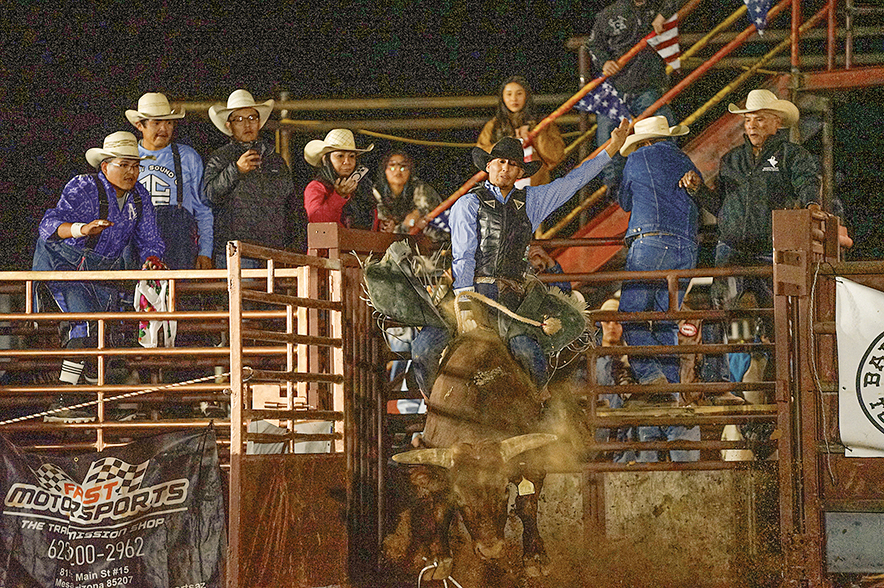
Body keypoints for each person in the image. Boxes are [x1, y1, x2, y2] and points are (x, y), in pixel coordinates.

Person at [410, 119, 630, 397]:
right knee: (423, 348)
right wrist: (464, 299)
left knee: (528, 352)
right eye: (500, 162)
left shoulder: (532, 201)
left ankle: (539, 403)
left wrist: (611, 148)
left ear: (519, 172)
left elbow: (574, 181)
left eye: (512, 164)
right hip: (470, 292)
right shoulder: (468, 202)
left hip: (511, 297)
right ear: (489, 166)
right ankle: (432, 401)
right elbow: (463, 253)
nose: (505, 168)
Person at [679, 89, 822, 381]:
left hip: (771, 248)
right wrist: (698, 191)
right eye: (748, 120)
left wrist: (811, 203)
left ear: (777, 122)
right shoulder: (732, 160)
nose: (752, 126)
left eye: (759, 119)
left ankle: (777, 380)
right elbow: (721, 207)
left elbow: (807, 182)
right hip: (733, 247)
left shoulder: (792, 155)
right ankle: (722, 382)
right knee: (724, 313)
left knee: (777, 317)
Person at [32, 131, 165, 389]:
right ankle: (66, 396)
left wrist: (152, 258)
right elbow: (48, 225)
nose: (131, 172)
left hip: (103, 272)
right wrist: (82, 229)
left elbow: (149, 238)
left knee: (105, 334)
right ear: (105, 167)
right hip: (65, 266)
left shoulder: (139, 196)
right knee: (84, 324)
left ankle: (94, 392)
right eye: (123, 165)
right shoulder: (83, 186)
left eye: (135, 166)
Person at [616, 115, 700, 462]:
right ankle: (671, 390)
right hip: (686, 247)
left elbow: (624, 201)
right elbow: (697, 187)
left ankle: (652, 377)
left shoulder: (636, 158)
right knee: (667, 320)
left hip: (650, 241)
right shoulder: (683, 158)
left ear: (643, 141)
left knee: (630, 314)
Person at [587, 0, 677, 190]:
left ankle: (671, 172)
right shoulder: (608, 14)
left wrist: (663, 14)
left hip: (647, 86)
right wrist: (604, 62)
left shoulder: (657, 6)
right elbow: (594, 45)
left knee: (665, 129)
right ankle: (613, 186)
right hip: (615, 89)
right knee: (607, 139)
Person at [204, 89, 295, 269]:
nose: (247, 124)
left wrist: (293, 247)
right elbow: (210, 195)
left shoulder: (274, 159)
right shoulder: (220, 157)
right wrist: (236, 169)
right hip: (236, 251)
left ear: (259, 122)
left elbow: (291, 205)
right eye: (239, 119)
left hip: (273, 250)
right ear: (229, 125)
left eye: (252, 118)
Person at [126, 92, 213, 269]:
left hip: (179, 246)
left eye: (169, 123)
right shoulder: (126, 157)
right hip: (135, 243)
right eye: (156, 123)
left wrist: (205, 251)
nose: (164, 129)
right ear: (139, 125)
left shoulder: (187, 157)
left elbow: (203, 209)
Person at [477, 76, 565, 187]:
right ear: (502, 97)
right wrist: (507, 143)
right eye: (509, 94)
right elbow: (481, 156)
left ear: (526, 96)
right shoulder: (494, 125)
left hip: (536, 187)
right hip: (500, 188)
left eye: (519, 94)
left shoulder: (542, 123)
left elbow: (556, 156)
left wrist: (534, 137)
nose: (514, 99)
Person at [303, 129, 377, 230]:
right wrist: (339, 196)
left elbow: (371, 221)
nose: (347, 161)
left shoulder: (362, 187)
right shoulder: (316, 187)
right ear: (326, 159)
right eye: (340, 156)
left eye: (351, 156)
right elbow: (316, 220)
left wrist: (382, 225)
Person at [372, 149, 448, 246]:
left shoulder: (421, 189)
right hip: (383, 243)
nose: (398, 170)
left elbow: (432, 218)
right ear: (384, 170)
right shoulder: (376, 191)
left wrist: (417, 216)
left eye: (403, 166)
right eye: (392, 166)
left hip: (423, 245)